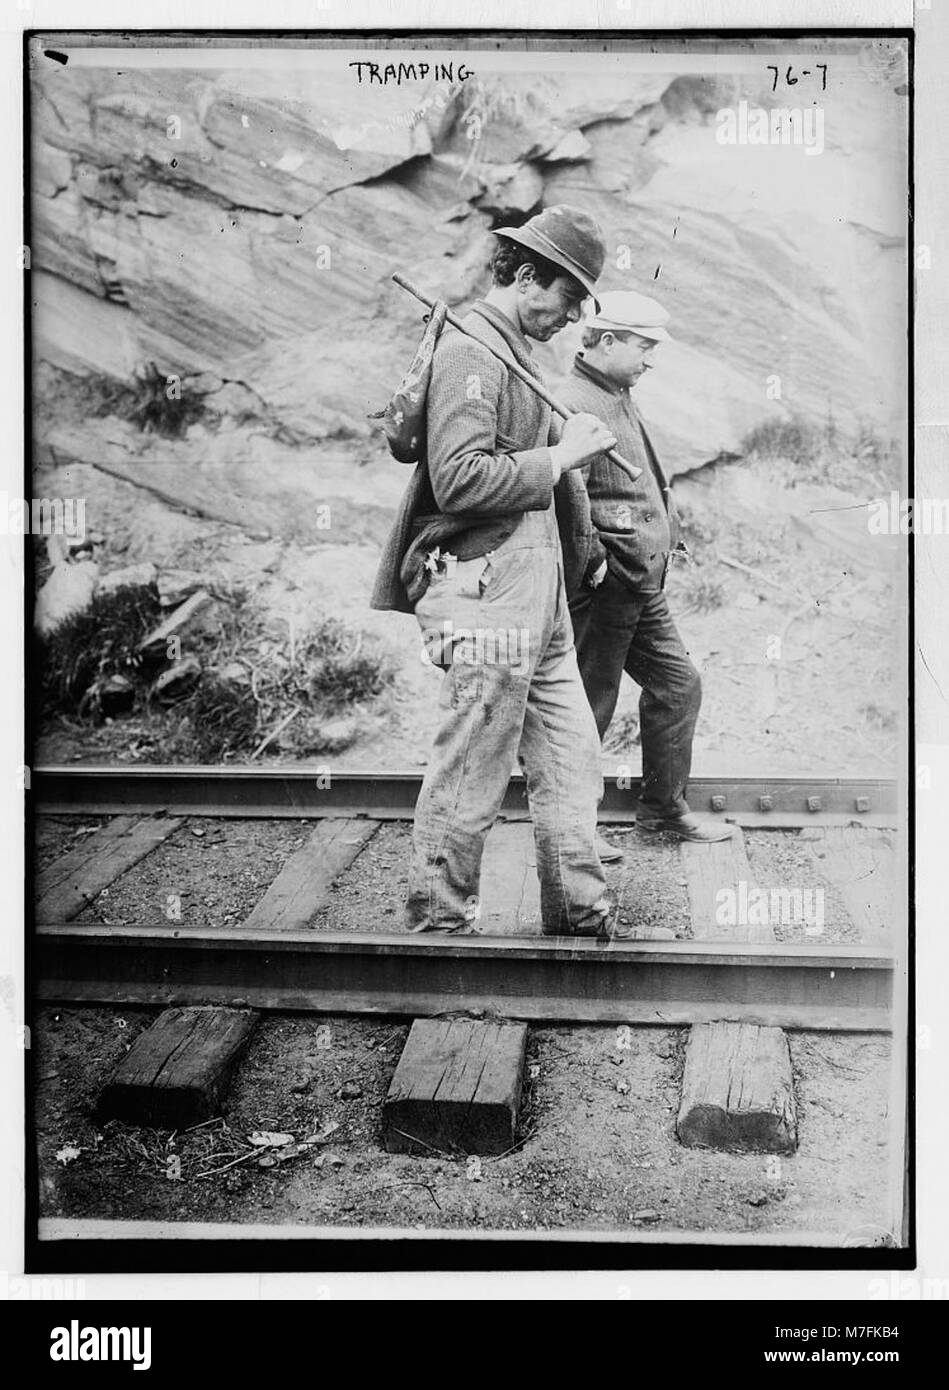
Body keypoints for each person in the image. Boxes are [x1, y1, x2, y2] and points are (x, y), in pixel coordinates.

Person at [371, 206, 636, 937]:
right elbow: (458, 479)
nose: (573, 317)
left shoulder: (517, 347)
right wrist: (560, 458)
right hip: (485, 586)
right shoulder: (473, 350)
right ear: (524, 278)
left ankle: (579, 915)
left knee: (573, 757)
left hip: (536, 586)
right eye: (568, 298)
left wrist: (581, 547)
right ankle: (440, 926)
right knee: (474, 765)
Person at [561, 290, 734, 854]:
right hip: (609, 586)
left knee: (678, 687)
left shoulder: (614, 391)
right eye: (643, 346)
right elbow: (570, 498)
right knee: (590, 706)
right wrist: (597, 566)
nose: (650, 358)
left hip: (641, 584)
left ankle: (662, 811)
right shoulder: (572, 400)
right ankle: (573, 833)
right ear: (606, 342)